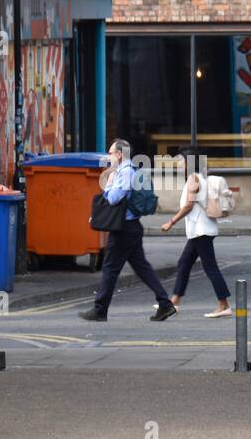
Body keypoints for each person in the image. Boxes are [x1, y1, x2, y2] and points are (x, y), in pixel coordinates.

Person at [80, 138, 177, 322]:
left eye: (110, 152)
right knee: (143, 268)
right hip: (131, 227)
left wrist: (109, 183)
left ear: (119, 154)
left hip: (123, 229)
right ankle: (165, 304)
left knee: (110, 268)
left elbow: (114, 198)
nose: (108, 156)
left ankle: (100, 309)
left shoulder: (124, 173)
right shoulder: (131, 170)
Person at [160, 148, 231, 318]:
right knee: (184, 263)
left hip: (201, 230)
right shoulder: (201, 177)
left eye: (182, 161)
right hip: (200, 230)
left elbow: (188, 206)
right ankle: (174, 303)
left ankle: (224, 305)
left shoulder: (194, 178)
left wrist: (171, 221)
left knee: (211, 268)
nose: (179, 164)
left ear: (190, 162)